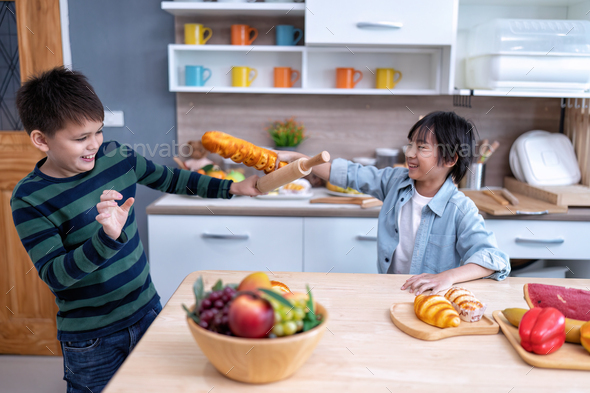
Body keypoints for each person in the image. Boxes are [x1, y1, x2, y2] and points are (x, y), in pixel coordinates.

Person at [11, 66, 261, 393]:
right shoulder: (30, 198)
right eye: (80, 138)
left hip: (146, 311)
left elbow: (174, 179)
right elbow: (56, 275)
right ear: (41, 139)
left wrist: (232, 188)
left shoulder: (116, 157)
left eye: (98, 132)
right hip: (92, 338)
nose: (94, 145)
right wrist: (106, 239)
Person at [278, 111, 510, 295]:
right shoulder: (395, 182)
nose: (409, 153)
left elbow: (493, 258)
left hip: (433, 300)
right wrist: (302, 161)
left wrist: (447, 276)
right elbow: (349, 174)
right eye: (410, 144)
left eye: (421, 147)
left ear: (449, 158)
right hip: (391, 292)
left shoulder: (460, 208)